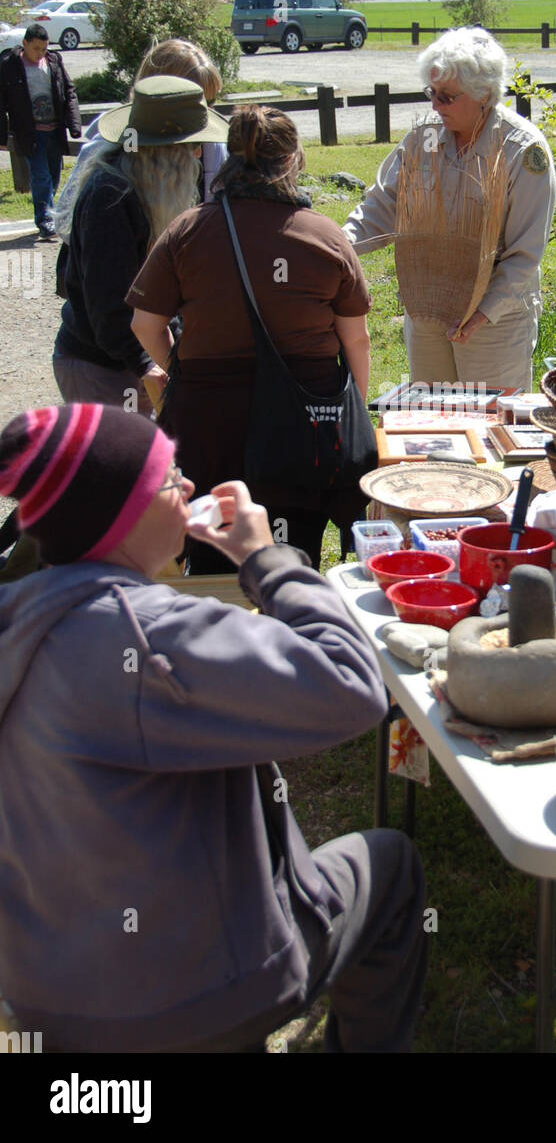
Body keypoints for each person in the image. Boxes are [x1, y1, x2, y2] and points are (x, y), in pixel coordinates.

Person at [0, 402, 427, 1053]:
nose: (190, 488)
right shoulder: (147, 634)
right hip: (184, 1003)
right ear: (122, 516)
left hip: (50, 997)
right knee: (392, 868)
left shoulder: (23, 615)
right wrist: (267, 559)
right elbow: (352, 686)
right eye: (170, 479)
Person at [128, 104, 373, 571]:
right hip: (305, 427)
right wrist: (350, 410)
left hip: (208, 424)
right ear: (293, 160)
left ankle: (217, 621)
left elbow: (144, 323)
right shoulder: (325, 235)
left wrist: (181, 368)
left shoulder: (187, 230)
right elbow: (357, 341)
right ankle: (292, 612)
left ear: (231, 158)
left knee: (210, 547)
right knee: (294, 548)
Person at [343, 27, 556, 390]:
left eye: (447, 97)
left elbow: (526, 252)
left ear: (484, 95)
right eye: (432, 93)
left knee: (490, 423)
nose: (434, 106)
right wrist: (336, 247)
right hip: (427, 307)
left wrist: (482, 314)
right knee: (432, 419)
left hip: (495, 319)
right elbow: (382, 206)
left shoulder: (522, 150)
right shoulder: (422, 137)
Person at [52, 76, 228, 414]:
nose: (197, 155)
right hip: (101, 366)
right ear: (163, 152)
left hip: (138, 358)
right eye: (191, 146)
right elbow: (109, 304)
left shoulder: (149, 191)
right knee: (124, 465)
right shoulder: (110, 196)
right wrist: (146, 362)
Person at [53, 37, 227, 246]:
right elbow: (68, 222)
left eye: (210, 103)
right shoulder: (121, 150)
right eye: (195, 103)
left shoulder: (215, 149)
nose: (204, 115)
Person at [0, 24, 81, 241]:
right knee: (40, 176)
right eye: (36, 48)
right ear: (25, 44)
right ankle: (45, 221)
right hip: (29, 133)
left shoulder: (54, 61)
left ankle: (49, 213)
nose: (40, 53)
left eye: (44, 48)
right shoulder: (9, 66)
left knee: (53, 175)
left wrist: (73, 124)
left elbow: (68, 91)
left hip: (54, 131)